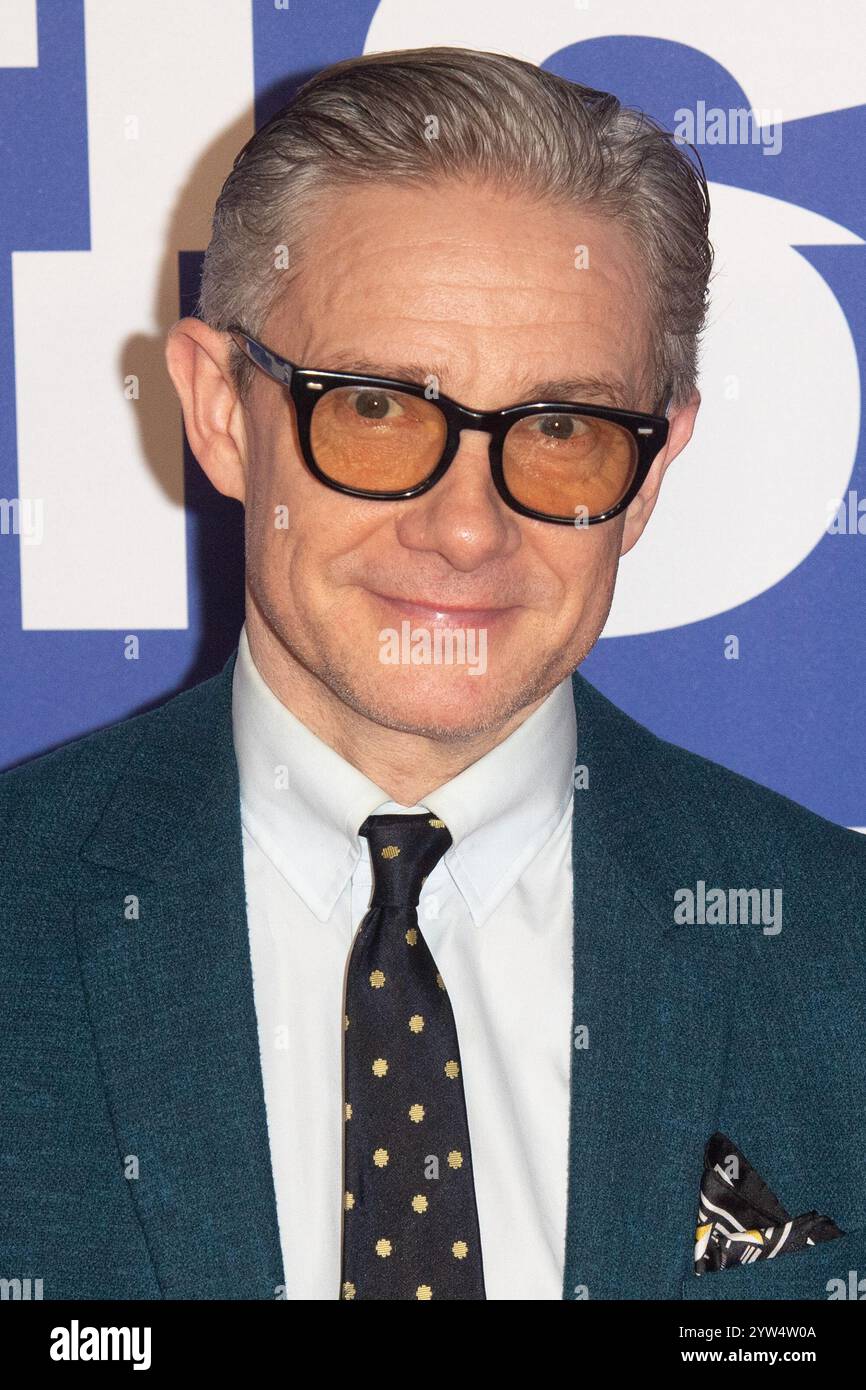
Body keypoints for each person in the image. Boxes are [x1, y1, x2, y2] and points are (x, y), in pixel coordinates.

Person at [2, 47, 863, 1302]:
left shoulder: (837, 950)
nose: (465, 529)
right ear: (220, 410)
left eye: (559, 428)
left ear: (650, 471)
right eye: (375, 409)